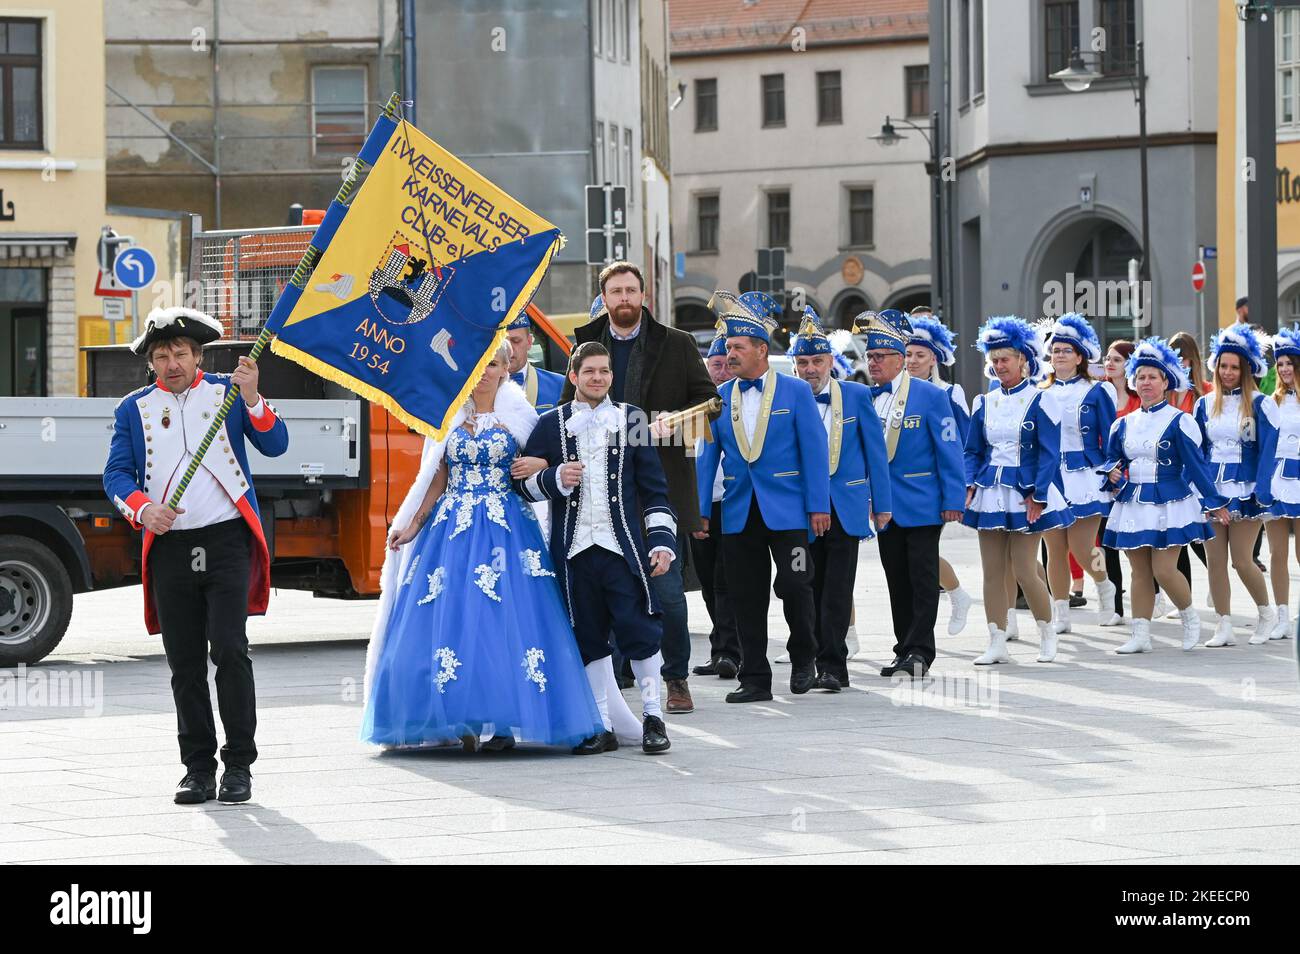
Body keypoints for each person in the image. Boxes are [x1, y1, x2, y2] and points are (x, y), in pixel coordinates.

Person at [361, 344, 607, 755]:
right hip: (450, 530)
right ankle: (462, 719)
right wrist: (412, 526)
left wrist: (539, 467)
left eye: (491, 364)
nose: (483, 373)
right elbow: (436, 476)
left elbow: (546, 461)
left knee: (503, 620)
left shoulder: (522, 416)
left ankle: (504, 724)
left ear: (506, 367)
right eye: (477, 365)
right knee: (451, 618)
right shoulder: (450, 415)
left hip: (505, 529)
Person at [104, 306, 289, 805]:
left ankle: (239, 766)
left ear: (197, 355)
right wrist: (144, 511)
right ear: (151, 364)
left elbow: (276, 443)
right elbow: (116, 476)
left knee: (229, 650)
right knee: (184, 663)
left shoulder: (229, 391)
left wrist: (252, 398)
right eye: (161, 356)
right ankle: (198, 769)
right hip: (171, 548)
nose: (171, 364)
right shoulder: (132, 408)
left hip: (227, 541)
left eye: (180, 353)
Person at [564, 262, 718, 714]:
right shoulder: (587, 342)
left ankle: (677, 679)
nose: (625, 298)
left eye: (632, 290)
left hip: (660, 486)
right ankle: (612, 679)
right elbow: (565, 409)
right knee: (605, 585)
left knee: (666, 588)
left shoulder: (677, 343)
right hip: (601, 491)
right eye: (616, 291)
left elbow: (711, 401)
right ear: (605, 297)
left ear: (643, 295)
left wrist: (678, 419)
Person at [516, 341, 677, 753]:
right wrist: (554, 478)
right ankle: (600, 725)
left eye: (604, 371)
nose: (598, 378)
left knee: (640, 629)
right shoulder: (550, 423)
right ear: (573, 376)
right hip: (572, 552)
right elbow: (521, 483)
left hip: (622, 548)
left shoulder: (634, 420)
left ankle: (654, 718)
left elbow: (655, 490)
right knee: (587, 636)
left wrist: (661, 543)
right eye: (589, 371)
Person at [695, 291, 830, 703]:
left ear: (760, 349)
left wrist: (818, 505)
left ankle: (805, 655)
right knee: (745, 596)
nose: (730, 355)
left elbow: (815, 451)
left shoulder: (795, 391)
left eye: (737, 347)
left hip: (789, 513)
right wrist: (701, 511)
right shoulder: (719, 398)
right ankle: (754, 677)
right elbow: (707, 458)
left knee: (796, 584)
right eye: (728, 348)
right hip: (738, 513)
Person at [1101, 338, 1231, 654]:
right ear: (1133, 381)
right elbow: (1112, 459)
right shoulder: (1123, 424)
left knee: (1164, 569)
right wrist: (1112, 472)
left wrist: (1214, 502)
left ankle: (1190, 618)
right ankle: (1140, 633)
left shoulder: (1180, 420)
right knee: (1139, 570)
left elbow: (1197, 466)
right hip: (1133, 502)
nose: (1146, 382)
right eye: (1141, 376)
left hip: (1171, 500)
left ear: (1165, 382)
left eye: (1153, 377)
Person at [855, 309, 965, 677]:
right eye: (869, 356)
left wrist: (952, 499)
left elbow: (948, 449)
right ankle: (903, 647)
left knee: (921, 578)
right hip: (884, 507)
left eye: (880, 357)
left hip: (922, 501)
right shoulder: (866, 398)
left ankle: (920, 650)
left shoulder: (930, 396)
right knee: (896, 579)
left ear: (900, 360)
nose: (873, 363)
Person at [790, 307, 892, 689]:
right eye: (803, 362)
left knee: (837, 588)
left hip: (845, 508)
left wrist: (881, 505)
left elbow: (875, 454)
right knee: (802, 586)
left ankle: (834, 665)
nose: (810, 368)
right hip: (800, 511)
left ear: (831, 361)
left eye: (817, 360)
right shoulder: (787, 396)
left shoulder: (856, 395)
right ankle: (808, 657)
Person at [964, 316, 1073, 664]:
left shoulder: (1044, 400)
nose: (998, 366)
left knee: (1025, 568)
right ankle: (997, 639)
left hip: (1026, 493)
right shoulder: (983, 402)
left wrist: (1038, 495)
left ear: (1023, 360)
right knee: (992, 570)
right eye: (994, 360)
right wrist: (968, 482)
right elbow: (973, 450)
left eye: (1005, 359)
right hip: (990, 490)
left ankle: (1046, 631)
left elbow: (1049, 453)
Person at [1193, 325, 1276, 647]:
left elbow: (1268, 451)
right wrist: (1201, 489)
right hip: (1212, 489)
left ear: (1245, 370)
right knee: (1215, 561)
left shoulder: (1260, 403)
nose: (1227, 372)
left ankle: (1266, 613)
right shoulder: (1204, 404)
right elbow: (1197, 451)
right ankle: (1223, 624)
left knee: (1242, 560)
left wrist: (1263, 490)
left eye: (1234, 367)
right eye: (1223, 366)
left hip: (1246, 489)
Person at [1039, 314, 1118, 635]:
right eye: (1055, 350)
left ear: (1080, 356)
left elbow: (1111, 437)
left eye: (1066, 350)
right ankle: (1060, 611)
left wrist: (1112, 470)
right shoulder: (1038, 390)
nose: (1059, 355)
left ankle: (1104, 585)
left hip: (1085, 475)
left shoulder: (1097, 391)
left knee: (1083, 547)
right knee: (1054, 548)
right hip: (1048, 476)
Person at [904, 314, 974, 636]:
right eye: (908, 354)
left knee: (923, 554)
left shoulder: (950, 392)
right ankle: (954, 596)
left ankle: (956, 595)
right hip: (900, 486)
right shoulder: (895, 392)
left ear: (934, 358)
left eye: (920, 355)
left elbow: (963, 442)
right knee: (911, 556)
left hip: (933, 486)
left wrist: (957, 490)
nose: (913, 360)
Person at [690, 332, 741, 679]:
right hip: (701, 503)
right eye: (715, 365)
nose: (721, 371)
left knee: (727, 579)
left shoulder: (739, 404)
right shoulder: (693, 404)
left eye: (726, 364)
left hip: (734, 502)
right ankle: (721, 643)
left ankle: (729, 650)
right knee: (708, 582)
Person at [1256, 324, 1300, 641]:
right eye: (1280, 364)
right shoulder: (1271, 401)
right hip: (1275, 480)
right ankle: (1282, 616)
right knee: (1276, 553)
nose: (1284, 369)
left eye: (1289, 364)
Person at [1098, 339, 1139, 624]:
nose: (1109, 364)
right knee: (1107, 544)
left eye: (1117, 360)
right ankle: (1116, 607)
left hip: (1137, 480)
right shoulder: (1099, 393)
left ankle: (1157, 592)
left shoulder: (1140, 397)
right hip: (1107, 480)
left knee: (1140, 544)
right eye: (1107, 358)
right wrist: (1107, 468)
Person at [504, 313, 565, 411]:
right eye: (502, 343)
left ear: (529, 342)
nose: (509, 349)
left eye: (516, 341)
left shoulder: (560, 385)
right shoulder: (477, 387)